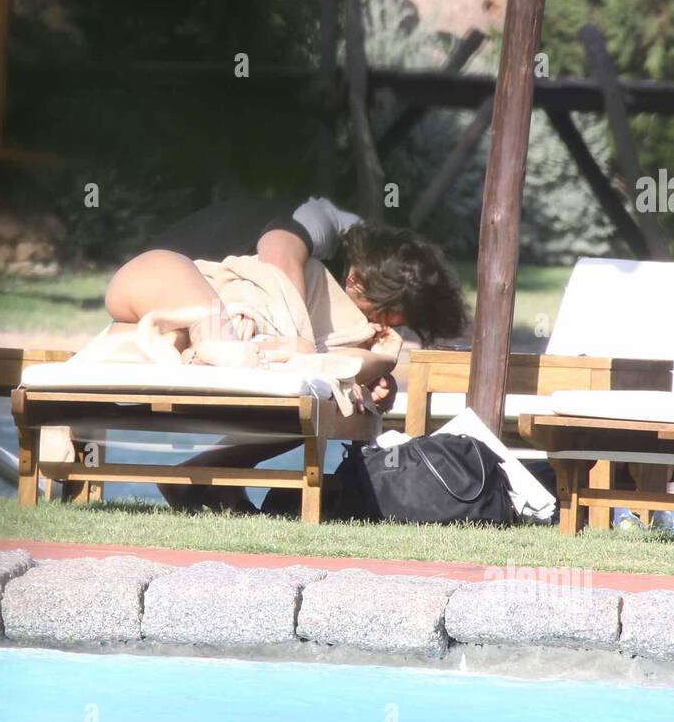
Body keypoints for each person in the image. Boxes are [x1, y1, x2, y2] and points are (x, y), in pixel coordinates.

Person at [106, 194, 469, 511]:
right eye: (381, 312)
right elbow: (279, 258)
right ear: (355, 278)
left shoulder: (346, 294)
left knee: (314, 401)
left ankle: (201, 475)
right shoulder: (320, 225)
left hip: (207, 321)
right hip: (172, 276)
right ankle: (209, 478)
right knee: (300, 382)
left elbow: (319, 361)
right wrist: (302, 352)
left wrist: (375, 372)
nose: (378, 322)